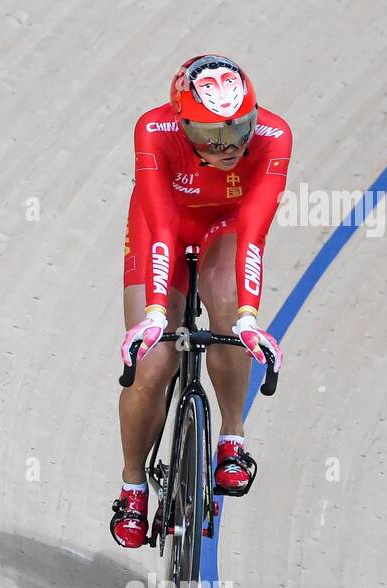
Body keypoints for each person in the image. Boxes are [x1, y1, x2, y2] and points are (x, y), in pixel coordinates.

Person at [111, 54, 290, 548]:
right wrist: (152, 317)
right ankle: (132, 487)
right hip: (162, 222)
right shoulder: (153, 129)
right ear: (183, 123)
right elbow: (162, 227)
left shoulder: (275, 137)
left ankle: (231, 437)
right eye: (212, 137)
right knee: (154, 362)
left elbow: (253, 232)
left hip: (227, 226)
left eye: (240, 130)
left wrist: (252, 319)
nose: (229, 146)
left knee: (232, 316)